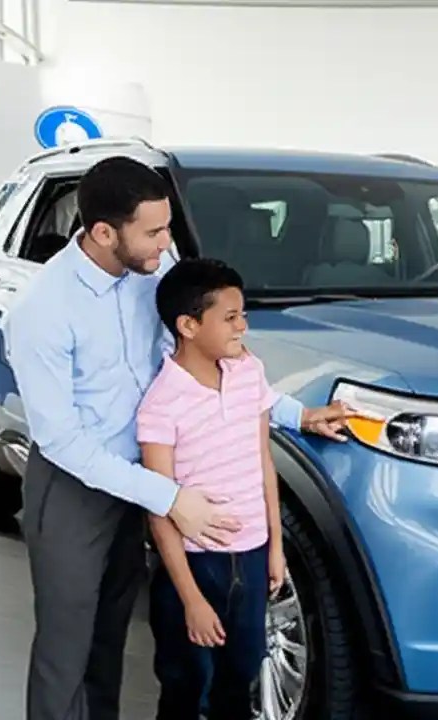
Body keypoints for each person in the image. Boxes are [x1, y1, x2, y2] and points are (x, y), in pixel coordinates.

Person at [4, 156, 360, 720]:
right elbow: (63, 440)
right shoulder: (41, 313)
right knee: (65, 644)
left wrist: (297, 414)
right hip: (78, 484)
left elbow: (203, 367)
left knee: (110, 633)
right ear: (102, 233)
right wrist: (170, 499)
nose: (168, 243)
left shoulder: (152, 265)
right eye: (153, 232)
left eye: (166, 227)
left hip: (149, 473)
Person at [138, 258, 279, 719]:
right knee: (186, 686)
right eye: (231, 317)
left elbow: (264, 461)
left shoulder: (249, 372)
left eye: (243, 314)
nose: (243, 326)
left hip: (253, 556)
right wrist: (192, 601)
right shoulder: (162, 403)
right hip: (196, 568)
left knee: (239, 682)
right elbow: (160, 508)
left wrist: (275, 546)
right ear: (189, 325)